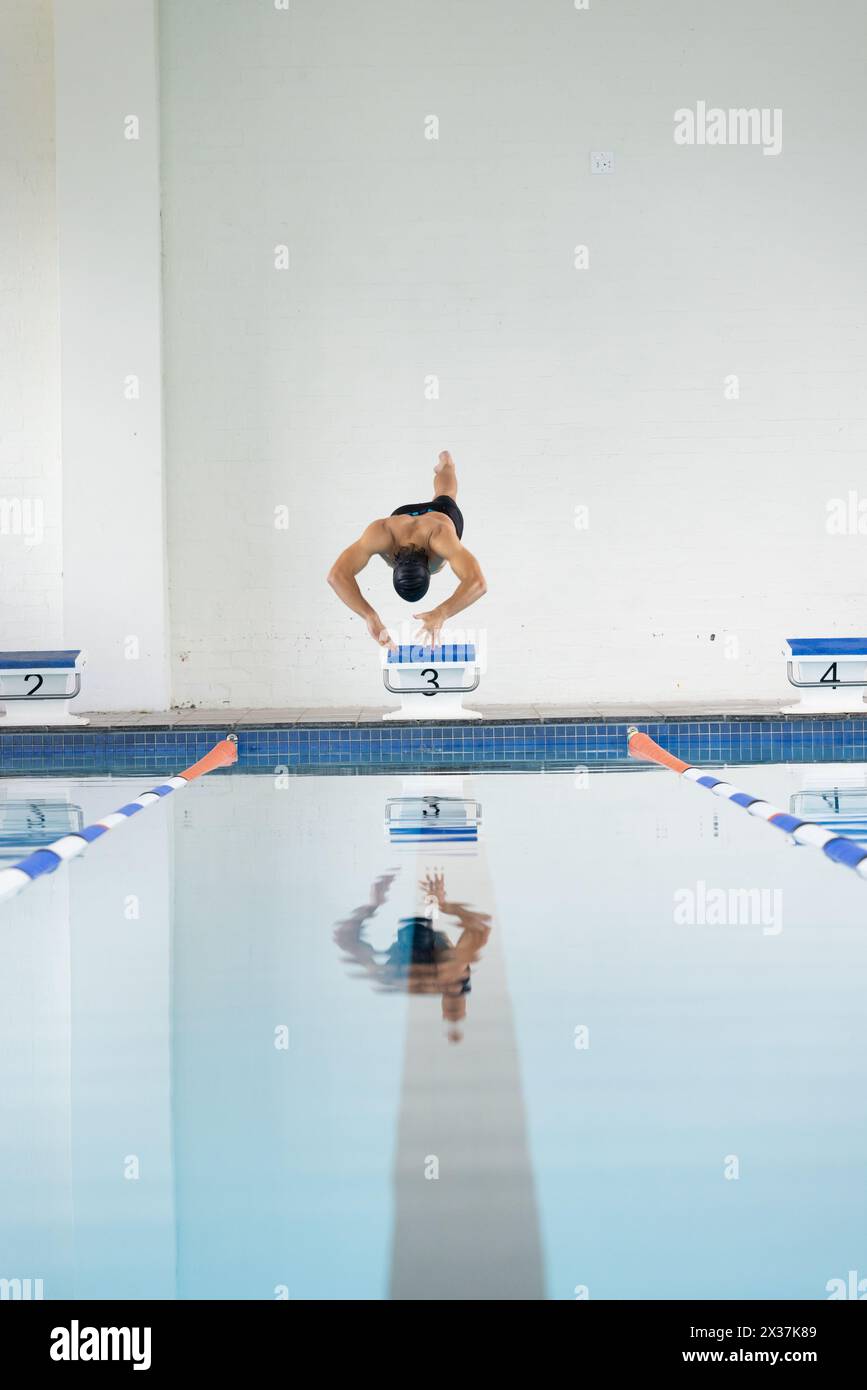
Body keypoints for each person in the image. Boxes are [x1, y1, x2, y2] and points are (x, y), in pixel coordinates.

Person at [327, 450, 486, 647]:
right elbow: (336, 576)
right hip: (408, 517)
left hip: (432, 517)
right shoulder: (383, 531)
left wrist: (441, 613)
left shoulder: (436, 536)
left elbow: (479, 583)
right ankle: (445, 465)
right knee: (444, 494)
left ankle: (447, 465)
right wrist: (370, 616)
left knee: (446, 494)